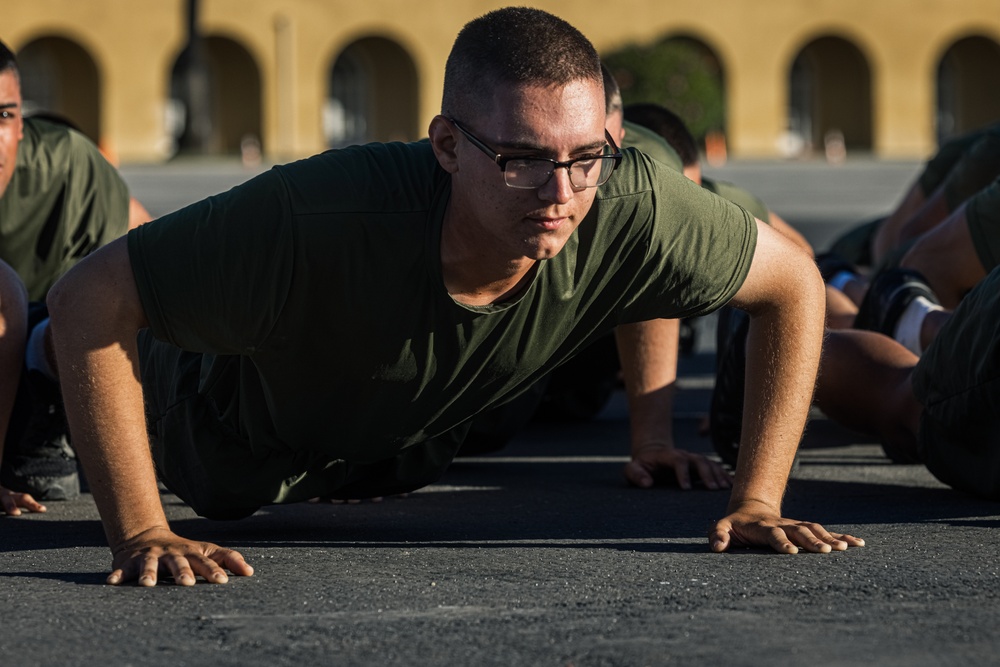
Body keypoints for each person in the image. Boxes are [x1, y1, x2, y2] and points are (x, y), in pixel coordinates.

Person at [47, 7, 862, 587]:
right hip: (207, 419)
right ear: (446, 145)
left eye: (586, 157)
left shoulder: (626, 193)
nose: (561, 191)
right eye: (522, 158)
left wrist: (756, 497)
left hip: (393, 436)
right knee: (75, 349)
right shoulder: (320, 213)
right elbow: (89, 295)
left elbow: (793, 283)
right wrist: (140, 527)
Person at [0, 40, 150, 514]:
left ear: (23, 123)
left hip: (47, 340)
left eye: (4, 115)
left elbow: (139, 273)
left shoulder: (64, 165)